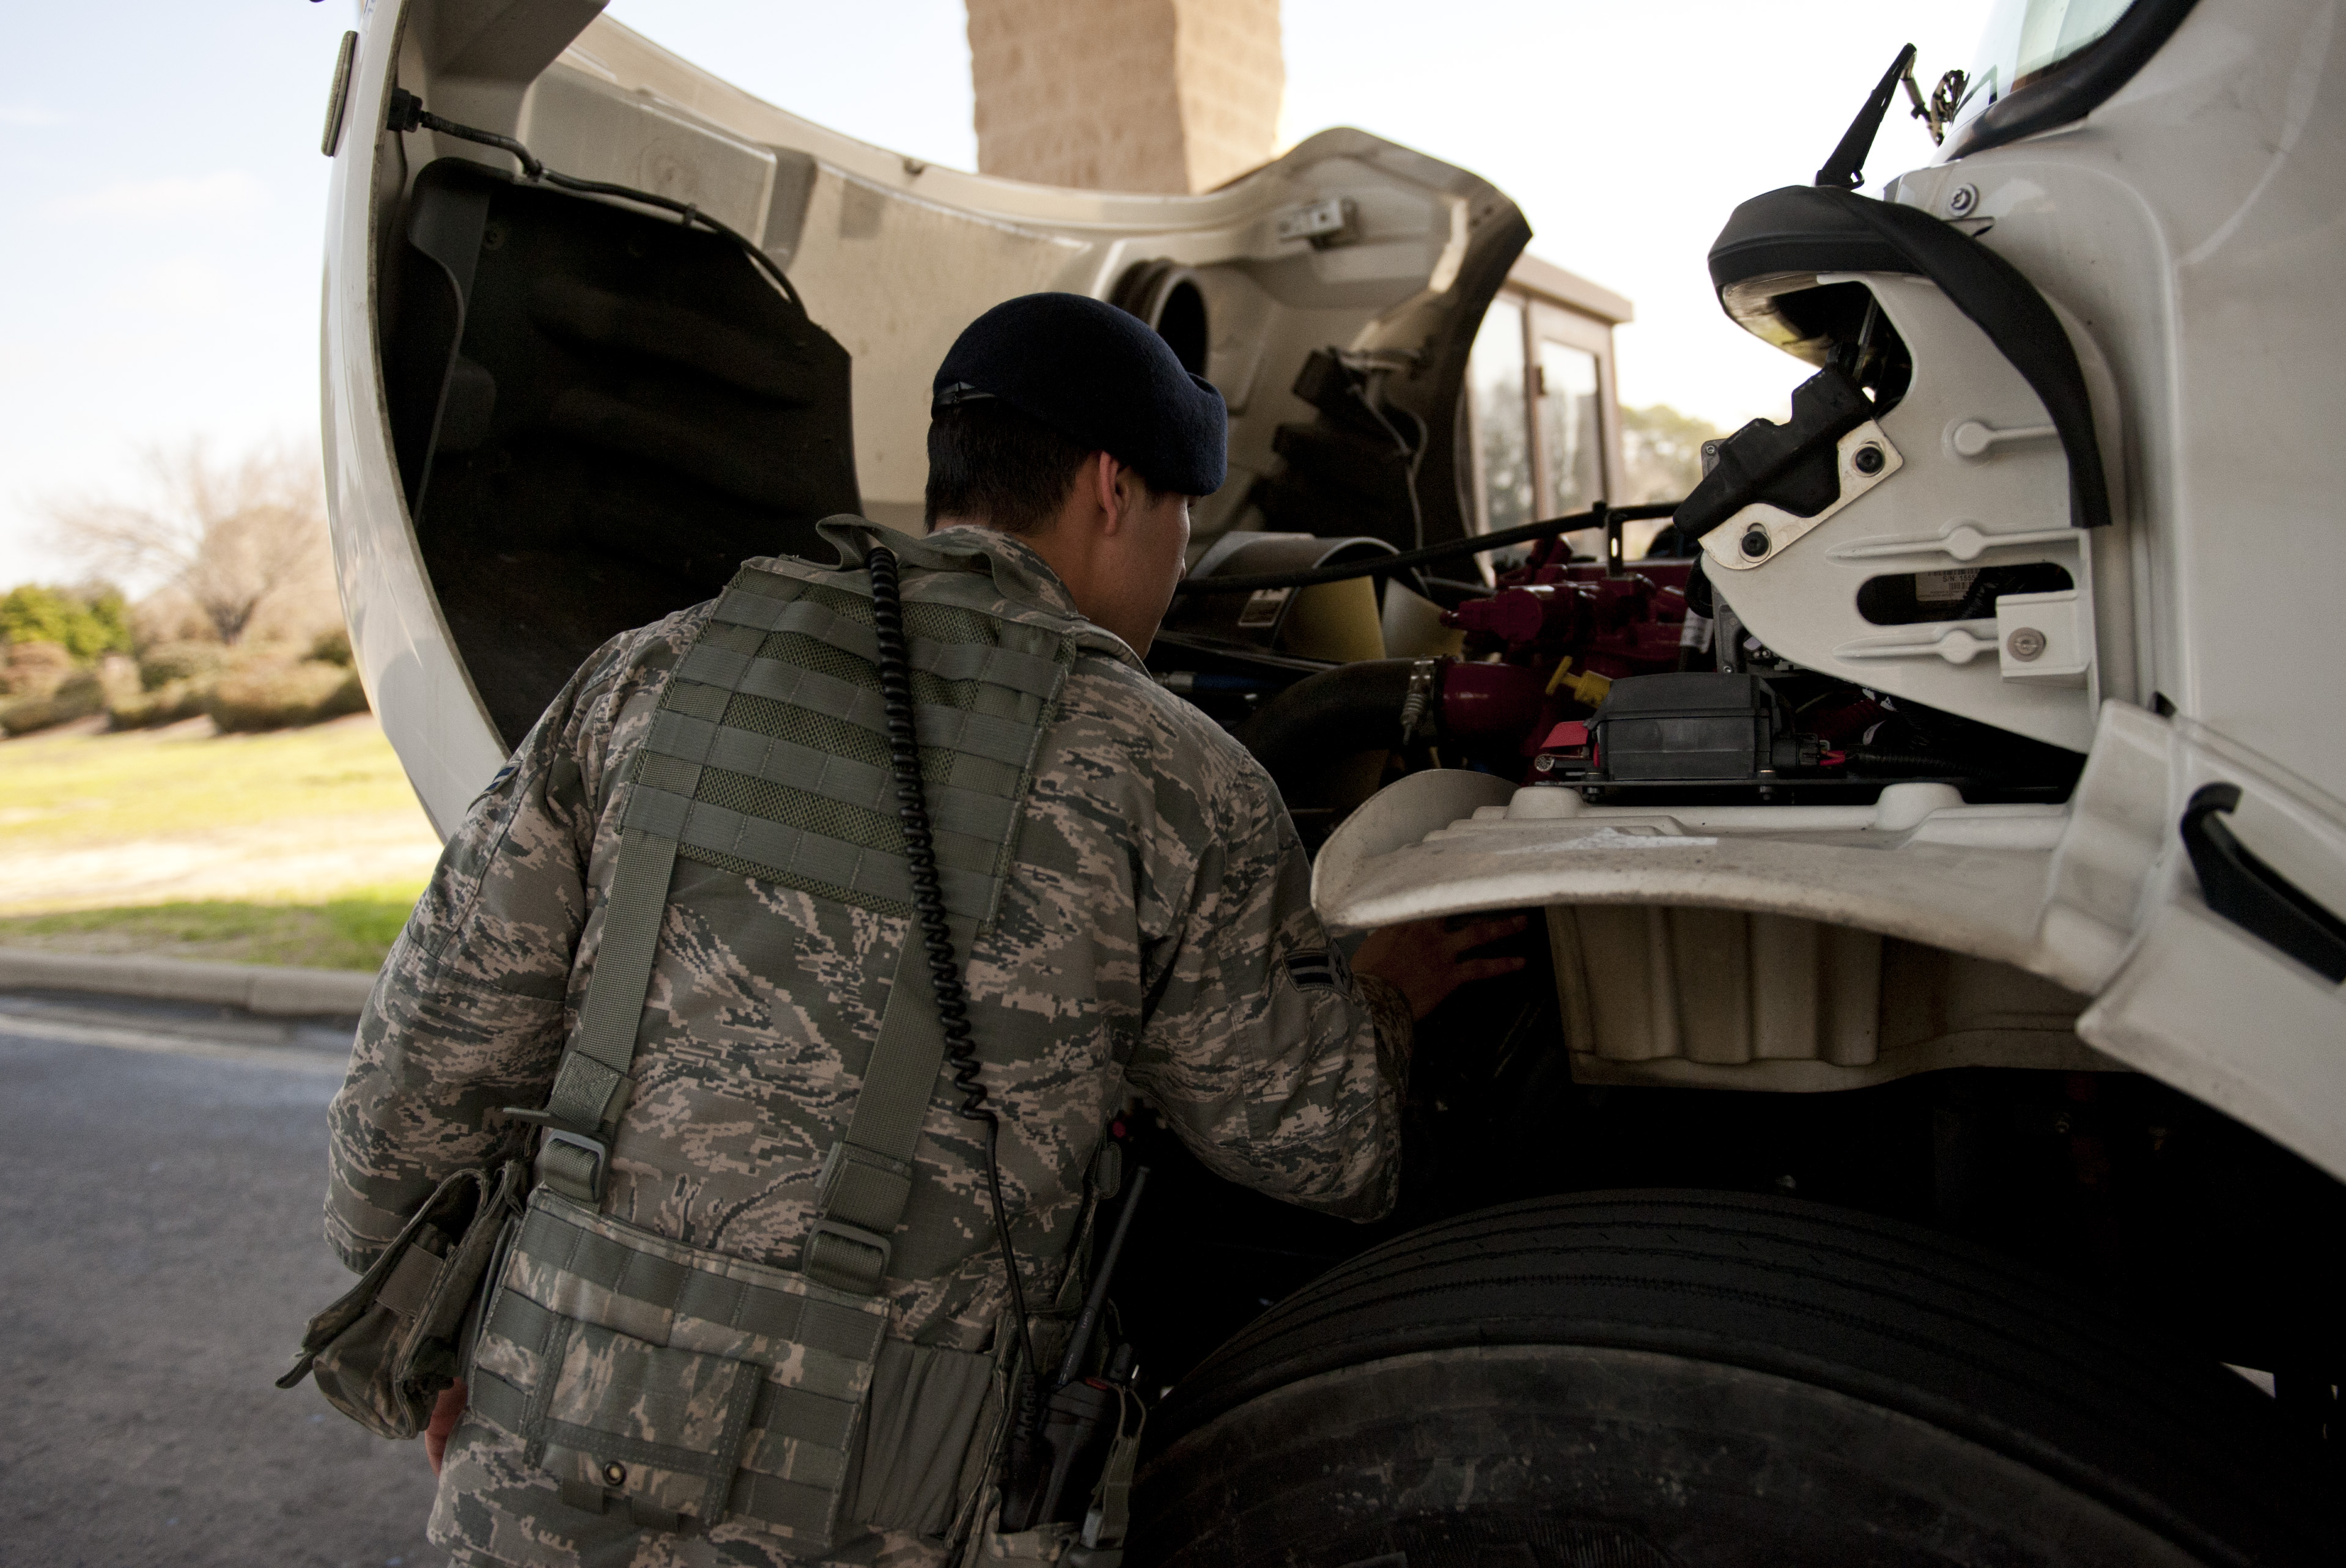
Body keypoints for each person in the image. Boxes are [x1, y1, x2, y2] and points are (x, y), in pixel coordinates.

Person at [323, 292, 1523, 1568]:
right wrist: (1382, 1000)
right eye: (1182, 516)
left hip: (542, 1468)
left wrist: (429, 1359)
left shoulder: (646, 677)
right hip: (891, 1509)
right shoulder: (1173, 773)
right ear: (1113, 488)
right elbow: (1323, 1150)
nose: (1179, 561)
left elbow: (416, 1083)